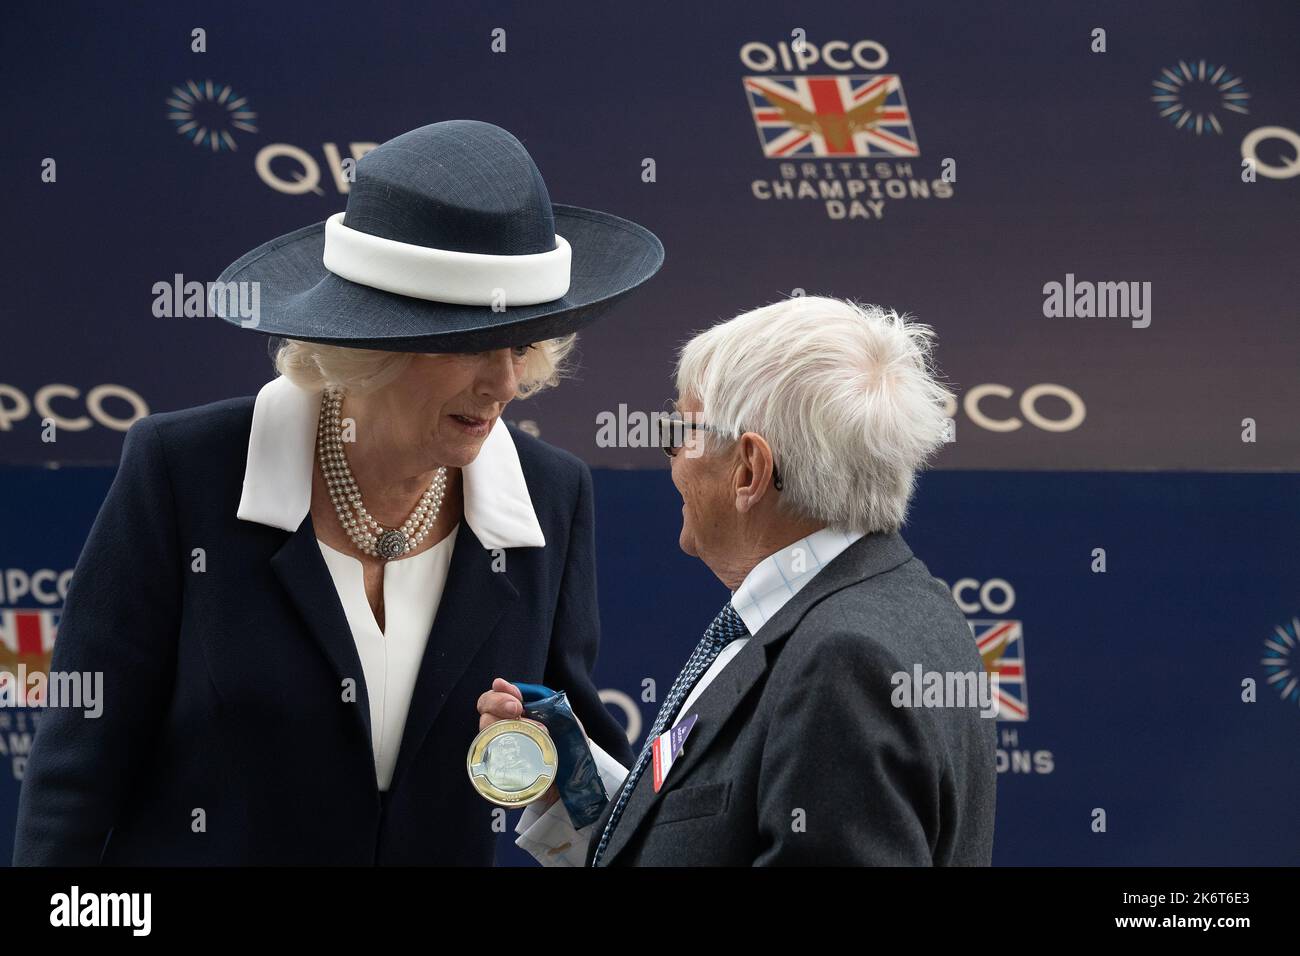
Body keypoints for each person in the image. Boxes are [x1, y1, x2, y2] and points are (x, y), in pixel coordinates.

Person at [13, 119, 661, 865]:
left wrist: (549, 770)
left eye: (521, 345)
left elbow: (584, 782)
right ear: (367, 345)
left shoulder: (551, 498)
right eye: (473, 346)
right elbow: (75, 775)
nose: (507, 383)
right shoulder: (184, 472)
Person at [478, 295, 997, 866]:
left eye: (681, 432)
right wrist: (574, 785)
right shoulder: (882, 608)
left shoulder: (842, 664)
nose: (670, 457)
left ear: (749, 469)